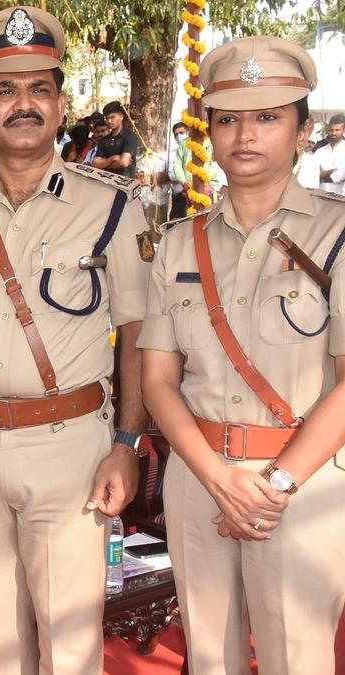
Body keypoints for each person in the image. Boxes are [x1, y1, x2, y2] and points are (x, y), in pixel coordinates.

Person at [0, 7, 152, 674]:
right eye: (5, 90)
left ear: (61, 103)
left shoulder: (112, 208)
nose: (24, 104)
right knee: (0, 634)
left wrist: (127, 445)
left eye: (39, 88)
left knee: (70, 641)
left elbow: (138, 335)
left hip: (69, 448)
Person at [140, 37, 345, 675]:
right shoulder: (177, 243)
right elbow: (157, 380)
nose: (245, 135)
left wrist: (272, 486)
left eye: (268, 116)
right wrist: (215, 476)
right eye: (228, 119)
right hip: (199, 479)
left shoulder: (336, 236)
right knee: (209, 657)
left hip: (300, 485)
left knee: (296, 660)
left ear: (303, 131)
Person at [168, 120, 223, 219]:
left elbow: (216, 165)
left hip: (208, 189)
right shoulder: (185, 144)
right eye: (176, 134)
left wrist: (203, 183)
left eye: (181, 133)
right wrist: (184, 182)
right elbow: (177, 164)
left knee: (208, 221)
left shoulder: (211, 142)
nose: (179, 136)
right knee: (186, 222)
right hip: (187, 190)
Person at [93, 100, 140, 178]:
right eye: (107, 118)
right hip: (107, 183)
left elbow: (124, 162)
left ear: (121, 116)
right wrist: (112, 159)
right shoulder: (104, 140)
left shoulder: (130, 136)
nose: (109, 121)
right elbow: (95, 164)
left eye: (112, 117)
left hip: (125, 184)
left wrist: (104, 164)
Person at [314, 113, 345, 193]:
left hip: (341, 198)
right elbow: (311, 174)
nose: (333, 133)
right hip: (321, 197)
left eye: (337, 130)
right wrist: (330, 171)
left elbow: (338, 177)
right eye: (331, 130)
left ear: (343, 130)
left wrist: (321, 176)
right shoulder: (320, 151)